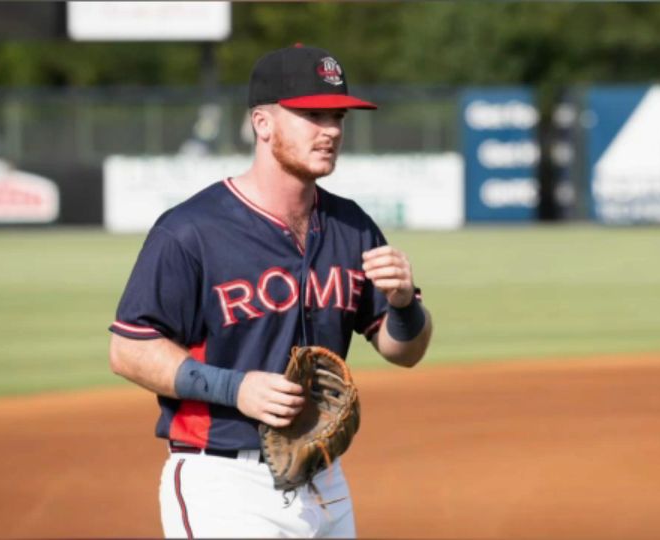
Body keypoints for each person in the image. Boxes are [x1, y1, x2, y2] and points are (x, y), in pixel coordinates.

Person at [108, 44, 433, 539]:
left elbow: (402, 350)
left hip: (324, 478)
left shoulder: (352, 227)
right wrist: (235, 388)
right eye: (312, 115)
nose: (330, 131)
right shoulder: (191, 230)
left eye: (338, 116)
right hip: (223, 480)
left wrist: (407, 305)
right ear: (263, 124)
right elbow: (129, 349)